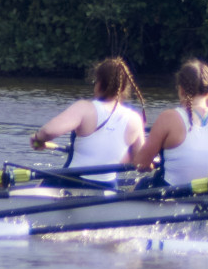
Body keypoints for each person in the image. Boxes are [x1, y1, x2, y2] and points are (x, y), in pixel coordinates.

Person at [32, 57, 147, 188]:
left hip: (72, 183)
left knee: (40, 186)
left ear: (99, 83)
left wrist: (38, 138)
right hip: (108, 187)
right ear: (124, 87)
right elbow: (140, 161)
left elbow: (48, 131)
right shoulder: (135, 119)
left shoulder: (85, 108)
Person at [134, 59, 208, 189]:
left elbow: (140, 163)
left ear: (181, 90)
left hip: (173, 196)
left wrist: (151, 164)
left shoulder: (168, 118)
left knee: (140, 184)